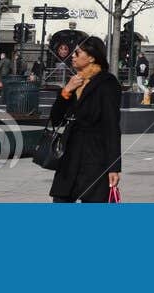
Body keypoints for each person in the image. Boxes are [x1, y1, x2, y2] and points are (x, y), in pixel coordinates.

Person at [48, 35, 122, 203]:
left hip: (95, 157)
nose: (72, 56)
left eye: (77, 53)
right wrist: (66, 91)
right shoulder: (75, 81)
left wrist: (114, 167)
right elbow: (56, 119)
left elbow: (111, 127)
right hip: (70, 154)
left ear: (91, 57)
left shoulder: (107, 83)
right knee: (60, 200)